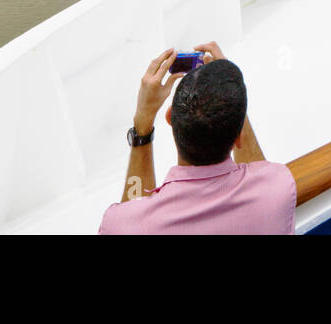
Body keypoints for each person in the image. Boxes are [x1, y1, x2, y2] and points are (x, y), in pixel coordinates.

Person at [98, 40, 296, 234]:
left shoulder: (123, 224)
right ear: (237, 137)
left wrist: (143, 123)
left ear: (169, 118)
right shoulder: (279, 188)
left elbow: (133, 211)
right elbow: (260, 176)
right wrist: (230, 97)